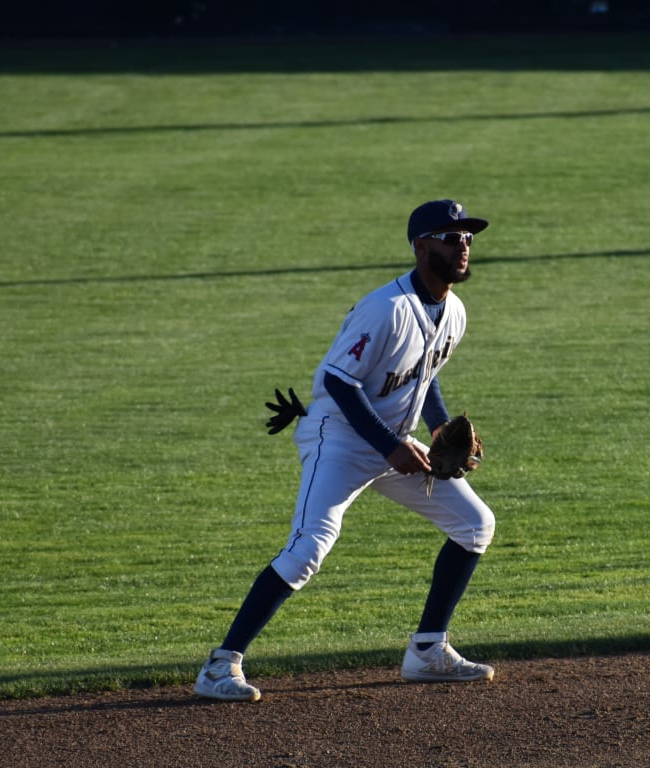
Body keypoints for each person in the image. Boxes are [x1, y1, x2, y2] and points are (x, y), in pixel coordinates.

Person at [194, 199, 497, 702]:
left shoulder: (455, 311)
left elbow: (427, 375)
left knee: (475, 525)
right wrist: (388, 446)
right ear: (421, 246)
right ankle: (220, 666)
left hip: (394, 442)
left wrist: (440, 429)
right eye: (450, 236)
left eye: (467, 236)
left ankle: (427, 651)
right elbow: (339, 380)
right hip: (338, 438)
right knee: (307, 549)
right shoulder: (386, 309)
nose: (462, 245)